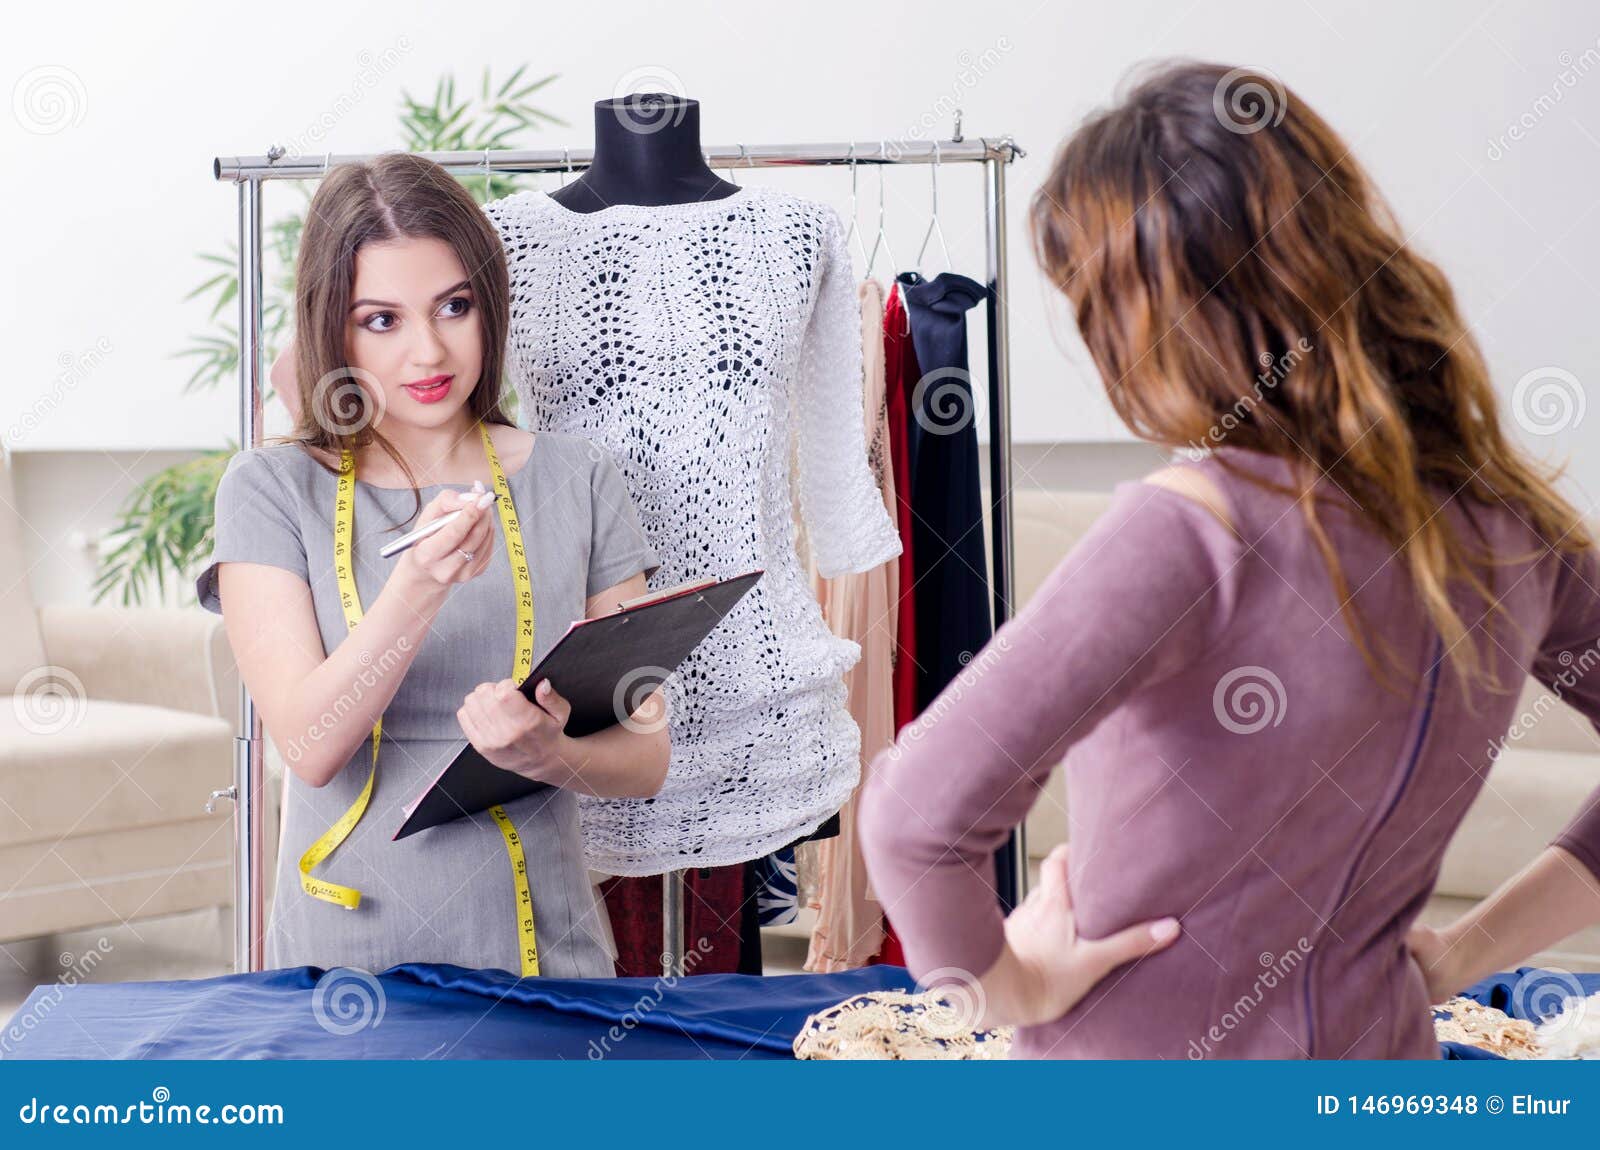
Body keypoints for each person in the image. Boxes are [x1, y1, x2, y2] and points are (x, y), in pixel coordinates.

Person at [858, 59, 1600, 1058]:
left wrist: (1003, 988)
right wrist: (1468, 951)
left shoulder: (1189, 532)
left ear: (1145, 314)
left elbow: (913, 814)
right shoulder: (1510, 527)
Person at [195, 152, 668, 978]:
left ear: (489, 305)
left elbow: (646, 757)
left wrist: (549, 755)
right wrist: (416, 587)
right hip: (345, 968)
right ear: (332, 324)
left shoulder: (578, 476)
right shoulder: (271, 488)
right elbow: (309, 745)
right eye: (381, 319)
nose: (428, 352)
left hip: (546, 962)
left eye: (453, 306)